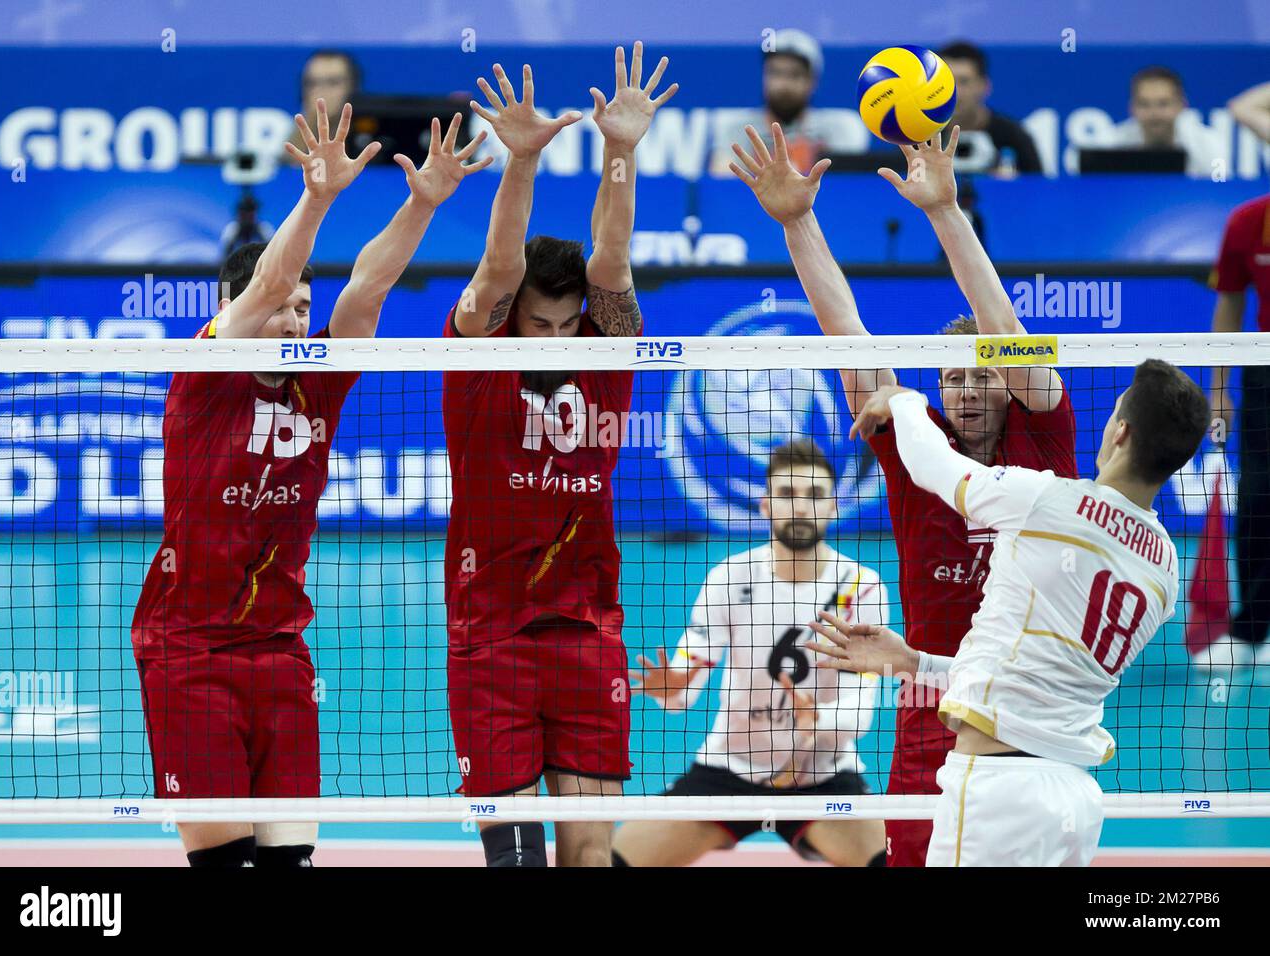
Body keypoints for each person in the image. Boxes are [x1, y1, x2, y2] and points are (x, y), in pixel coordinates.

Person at [132, 100, 485, 867]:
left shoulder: (318, 382)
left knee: (290, 862)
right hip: (188, 651)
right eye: (282, 310)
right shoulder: (206, 377)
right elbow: (267, 280)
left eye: (303, 311)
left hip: (280, 651)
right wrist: (317, 198)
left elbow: (367, 288)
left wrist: (423, 202)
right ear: (231, 313)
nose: (296, 323)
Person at [731, 123, 1078, 866]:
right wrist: (798, 221)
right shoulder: (917, 448)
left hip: (1032, 715)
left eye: (982, 376)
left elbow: (1004, 327)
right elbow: (843, 329)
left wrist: (944, 211)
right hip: (929, 704)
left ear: (1009, 387)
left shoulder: (1044, 440)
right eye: (952, 378)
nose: (966, 391)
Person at [811, 359, 1210, 866]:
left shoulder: (1051, 503)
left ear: (1121, 431)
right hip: (1073, 798)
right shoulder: (1164, 566)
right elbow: (1035, 678)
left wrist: (903, 399)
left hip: (998, 789)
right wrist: (916, 663)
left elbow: (933, 465)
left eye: (1112, 414)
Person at [442, 44, 677, 868]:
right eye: (536, 324)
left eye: (566, 324)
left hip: (586, 634)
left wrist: (620, 153)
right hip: (490, 635)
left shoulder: (607, 353)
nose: (552, 338)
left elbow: (611, 264)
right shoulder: (477, 357)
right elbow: (499, 267)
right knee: (516, 862)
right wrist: (522, 162)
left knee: (587, 857)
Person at [613, 440, 887, 867]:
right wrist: (669, 688)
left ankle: (811, 836)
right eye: (787, 495)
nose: (800, 508)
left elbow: (861, 712)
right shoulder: (729, 577)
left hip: (820, 776)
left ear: (834, 506)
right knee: (618, 858)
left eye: (814, 496)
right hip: (730, 771)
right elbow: (683, 692)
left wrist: (819, 716)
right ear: (764, 505)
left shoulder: (860, 587)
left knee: (891, 858)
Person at [1203, 88, 1270, 669]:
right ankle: (1252, 631)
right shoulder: (1249, 222)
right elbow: (1228, 308)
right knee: (1258, 500)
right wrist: (1219, 387)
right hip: (1266, 376)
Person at [709, 29, 858, 177]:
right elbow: (723, 190)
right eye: (775, 73)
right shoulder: (737, 129)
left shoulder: (841, 128)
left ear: (813, 81)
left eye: (794, 74)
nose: (783, 85)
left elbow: (850, 189)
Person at [937, 41, 1043, 176]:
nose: (955, 91)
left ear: (984, 86)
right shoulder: (922, 139)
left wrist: (1007, 188)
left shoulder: (1013, 138)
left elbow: (1038, 191)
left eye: (964, 81)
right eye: (947, 80)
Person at [1102, 66, 1222, 179]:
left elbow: (1220, 183)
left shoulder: (1208, 143)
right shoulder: (1112, 144)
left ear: (1182, 105)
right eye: (1144, 104)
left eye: (1163, 104)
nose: (1154, 114)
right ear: (1131, 108)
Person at [286, 50, 362, 157]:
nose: (321, 91)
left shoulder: (367, 135)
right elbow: (289, 168)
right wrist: (310, 121)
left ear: (352, 87)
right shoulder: (286, 133)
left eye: (333, 82)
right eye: (312, 83)